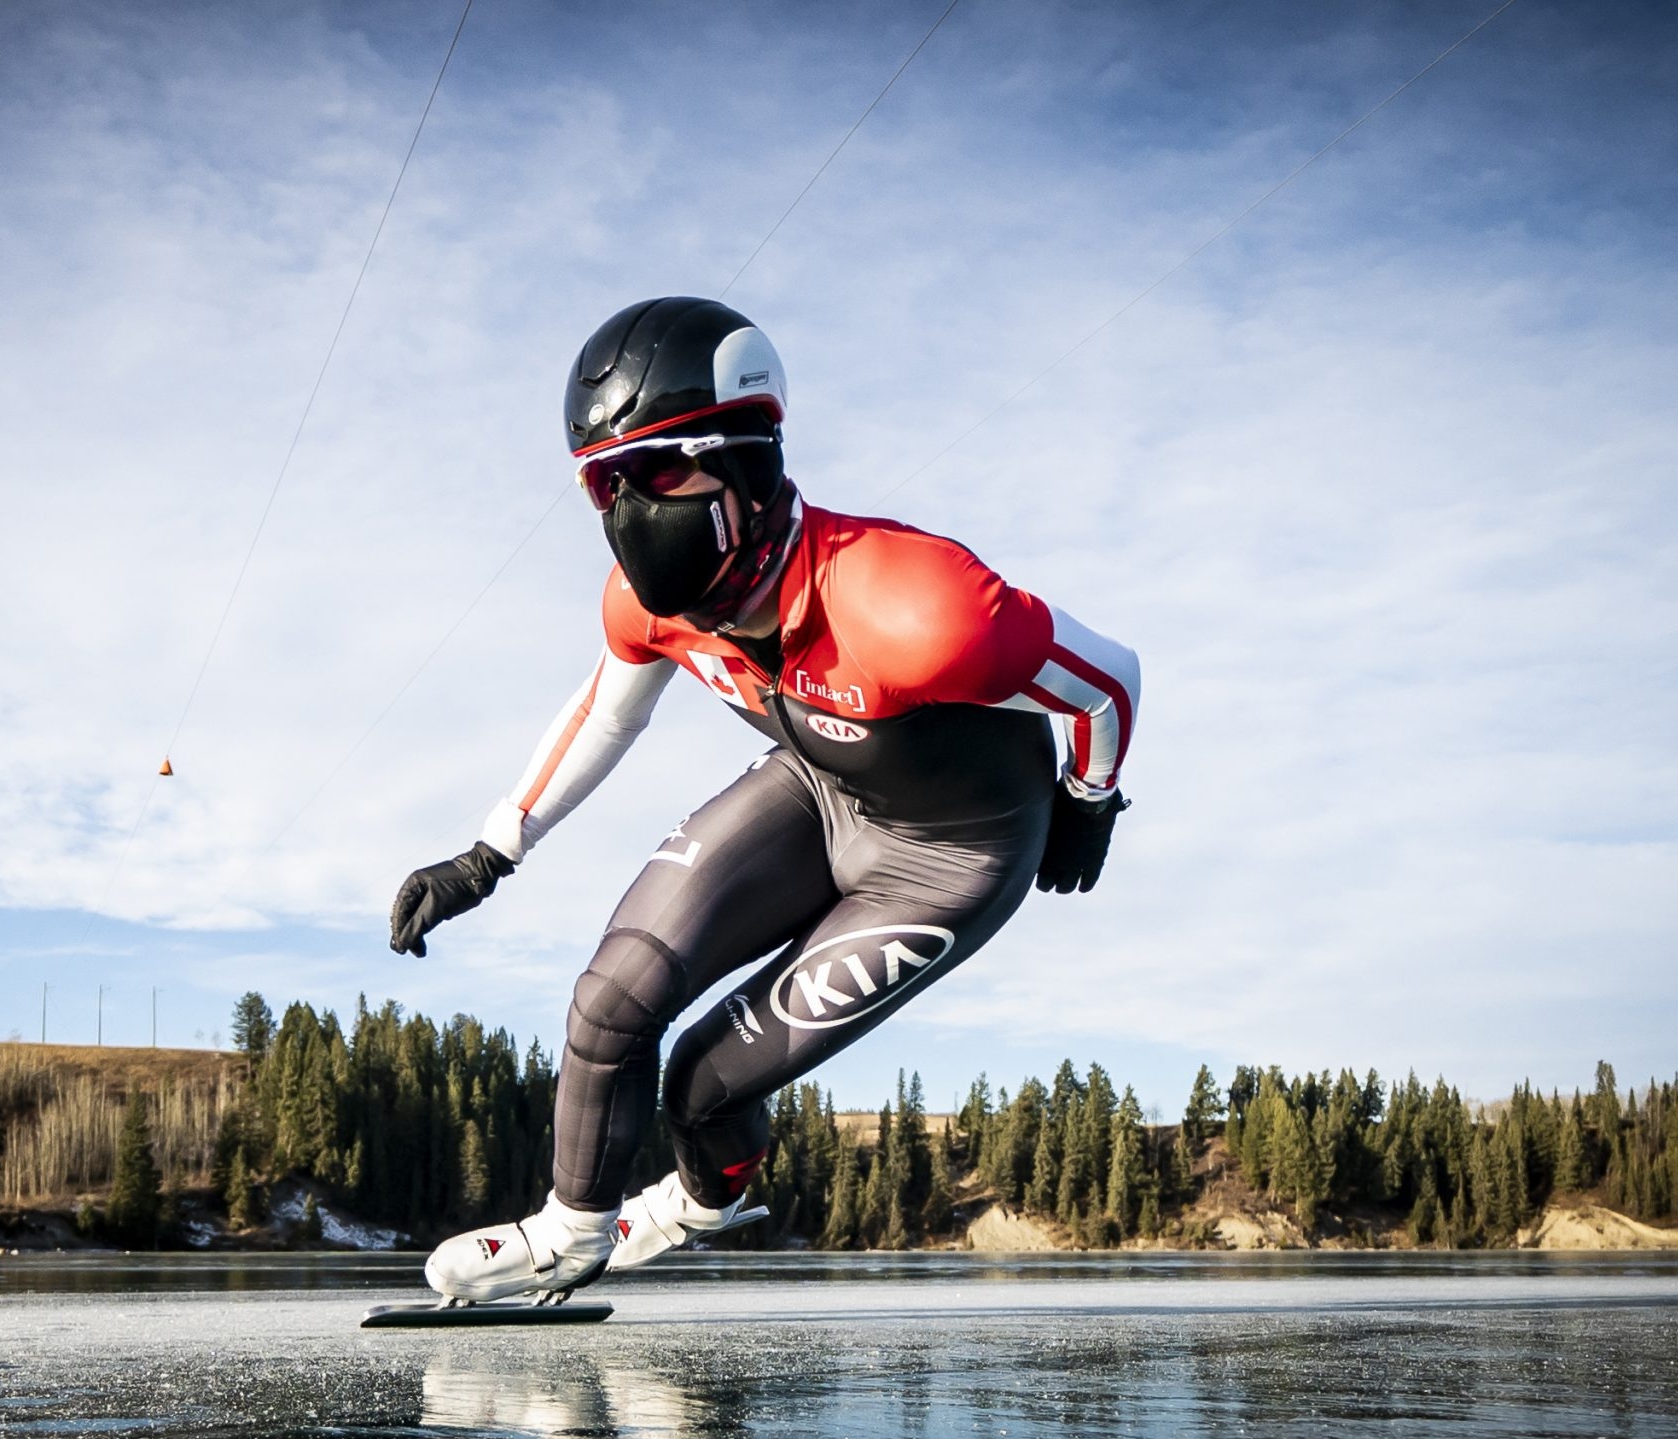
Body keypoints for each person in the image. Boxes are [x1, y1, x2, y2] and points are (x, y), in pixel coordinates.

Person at [390, 297, 1140, 1302]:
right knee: (609, 1004)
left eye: (658, 469)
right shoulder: (645, 604)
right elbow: (606, 715)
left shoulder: (916, 610)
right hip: (819, 786)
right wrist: (489, 852)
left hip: (950, 857)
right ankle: (571, 1233)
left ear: (745, 461)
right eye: (604, 481)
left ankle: (699, 1204)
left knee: (701, 1086)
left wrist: (1088, 798)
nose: (630, 507)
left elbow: (1109, 681)